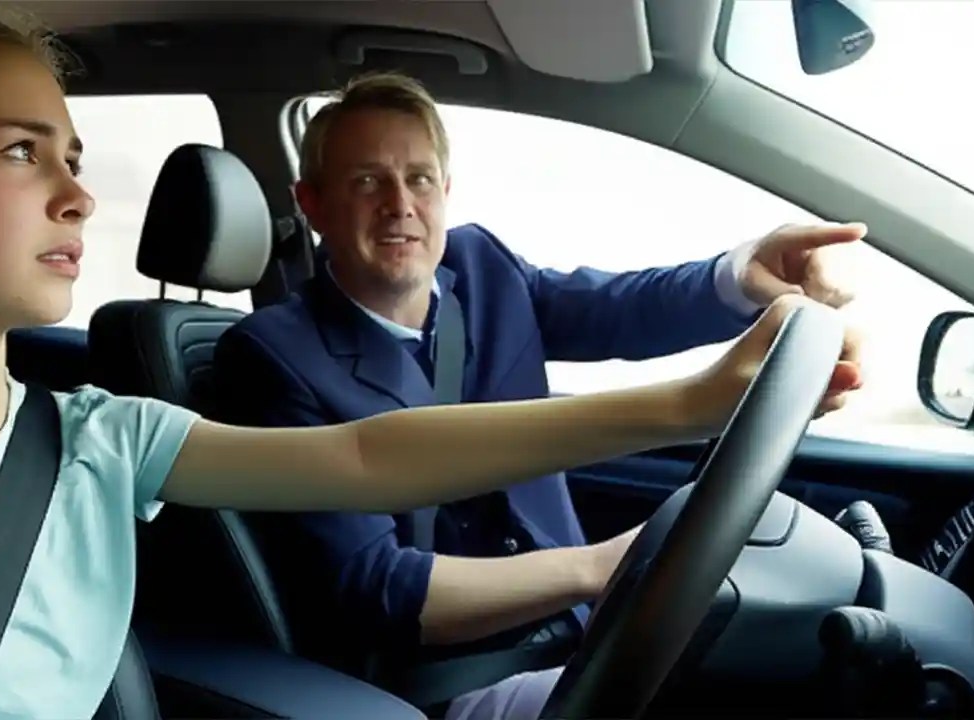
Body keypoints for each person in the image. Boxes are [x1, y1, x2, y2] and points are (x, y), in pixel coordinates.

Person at [0, 15, 861, 720]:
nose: (75, 189)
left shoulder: (102, 435)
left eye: (70, 151)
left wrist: (700, 397)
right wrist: (591, 561)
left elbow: (368, 455)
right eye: (18, 151)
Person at [209, 71, 864, 717]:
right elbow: (380, 586)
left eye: (419, 178)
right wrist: (599, 567)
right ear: (313, 203)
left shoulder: (482, 267)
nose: (399, 204)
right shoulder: (273, 356)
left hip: (580, 635)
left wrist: (742, 278)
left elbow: (616, 306)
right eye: (367, 181)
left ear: (445, 191)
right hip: (441, 681)